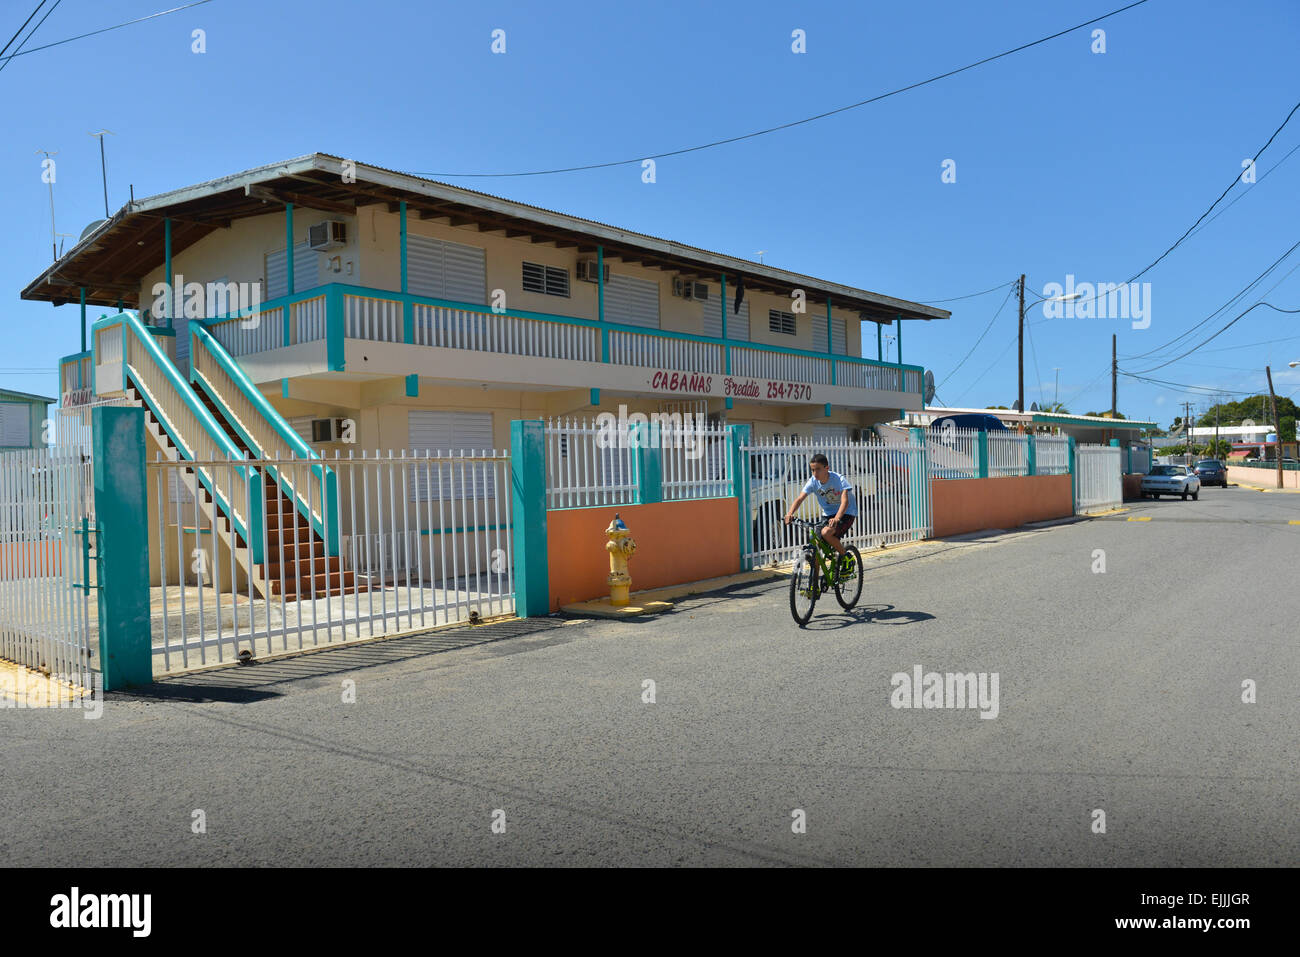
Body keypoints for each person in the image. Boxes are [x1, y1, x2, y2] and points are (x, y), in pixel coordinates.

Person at [783, 454, 856, 569]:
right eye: (812, 470)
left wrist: (837, 518)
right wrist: (789, 513)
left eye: (818, 469)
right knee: (815, 548)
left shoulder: (839, 479)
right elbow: (800, 498)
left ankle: (846, 556)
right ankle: (814, 584)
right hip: (828, 515)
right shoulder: (812, 482)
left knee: (826, 533)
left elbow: (845, 502)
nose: (815, 473)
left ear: (827, 468)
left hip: (846, 513)